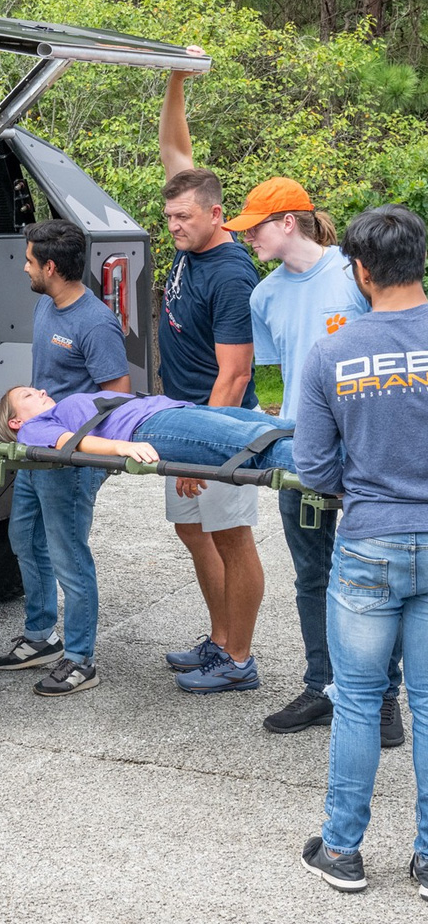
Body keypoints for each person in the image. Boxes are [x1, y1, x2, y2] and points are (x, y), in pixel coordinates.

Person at [223, 178, 405, 745]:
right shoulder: (264, 296)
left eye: (254, 226)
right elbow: (286, 374)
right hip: (303, 448)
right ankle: (322, 686)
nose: (246, 236)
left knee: (377, 576)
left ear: (287, 223)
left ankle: (381, 701)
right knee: (312, 575)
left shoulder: (354, 274)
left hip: (367, 447)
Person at [293, 204, 428, 895]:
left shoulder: (334, 351)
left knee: (356, 701)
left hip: (369, 542)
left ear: (362, 270)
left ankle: (342, 851)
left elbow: (313, 471)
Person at [156, 53, 266, 694]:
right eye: (169, 217)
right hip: (182, 418)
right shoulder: (190, 234)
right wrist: (176, 77)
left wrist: (205, 456)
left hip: (220, 426)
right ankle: (220, 639)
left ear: (216, 215)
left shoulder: (229, 273)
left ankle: (241, 658)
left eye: (183, 218)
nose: (173, 226)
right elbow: (174, 146)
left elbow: (235, 373)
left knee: (230, 533)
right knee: (192, 529)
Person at [0, 219, 130, 696]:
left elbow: (118, 398)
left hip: (69, 462)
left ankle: (80, 659)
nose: (25, 268)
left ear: (50, 267)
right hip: (35, 452)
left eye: (29, 261)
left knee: (70, 556)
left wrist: (88, 461)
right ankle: (40, 635)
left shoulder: (95, 323)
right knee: (24, 539)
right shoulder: (45, 305)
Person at [0, 386, 295, 482]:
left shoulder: (53, 413)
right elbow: (71, 445)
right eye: (28, 396)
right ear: (15, 422)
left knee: (265, 426)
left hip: (167, 410)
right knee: (252, 443)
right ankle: (336, 468)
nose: (40, 391)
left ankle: (336, 441)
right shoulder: (33, 429)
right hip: (145, 428)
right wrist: (120, 448)